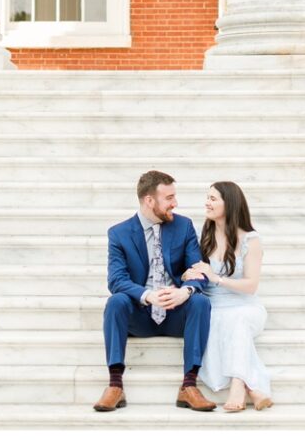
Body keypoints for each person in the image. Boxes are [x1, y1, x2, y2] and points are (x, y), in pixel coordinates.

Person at [95, 169, 216, 412]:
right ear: (149, 200)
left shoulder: (183, 226)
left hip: (175, 313)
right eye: (169, 198)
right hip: (140, 315)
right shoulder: (119, 233)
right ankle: (115, 385)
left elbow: (199, 270)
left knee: (200, 302)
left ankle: (189, 386)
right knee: (116, 301)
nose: (175, 203)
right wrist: (147, 295)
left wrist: (185, 291)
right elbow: (116, 279)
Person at [182, 181, 273, 411]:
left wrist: (216, 278)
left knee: (237, 320)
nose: (207, 203)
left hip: (245, 305)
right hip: (214, 306)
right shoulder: (203, 236)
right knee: (220, 320)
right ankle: (254, 389)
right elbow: (189, 268)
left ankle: (237, 386)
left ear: (229, 204)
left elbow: (251, 286)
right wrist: (187, 274)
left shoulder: (250, 240)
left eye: (213, 199)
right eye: (207, 197)